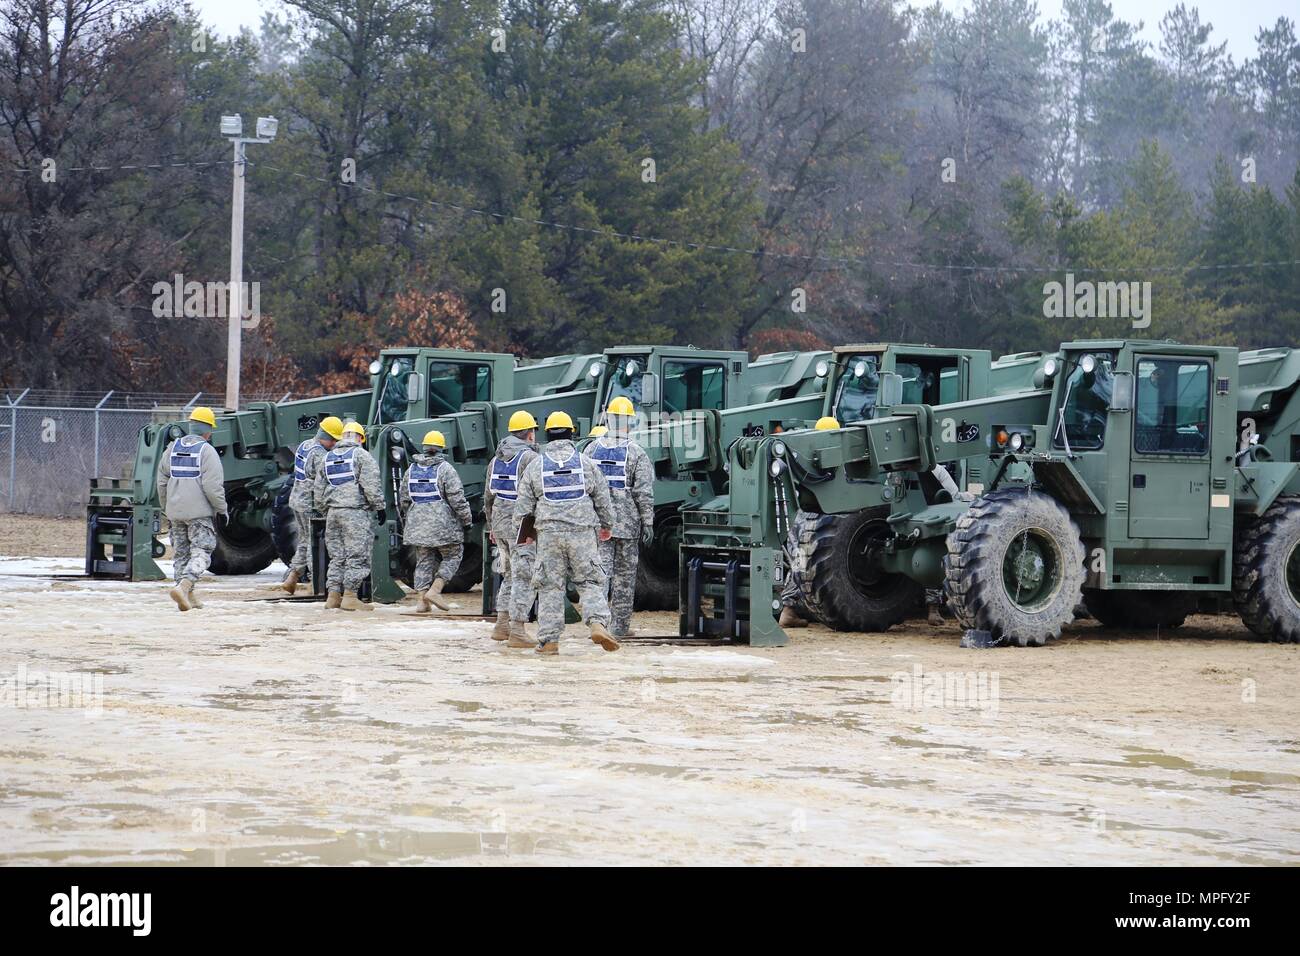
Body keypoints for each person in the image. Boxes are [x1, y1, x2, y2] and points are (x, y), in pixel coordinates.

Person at [513, 410, 618, 655]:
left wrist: (524, 533)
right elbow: (603, 498)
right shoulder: (586, 463)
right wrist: (607, 525)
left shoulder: (535, 466)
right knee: (590, 582)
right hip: (582, 534)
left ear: (547, 435)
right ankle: (597, 624)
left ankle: (549, 642)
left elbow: (523, 508)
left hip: (548, 535)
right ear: (572, 433)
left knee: (550, 588)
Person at [589, 396, 654, 637]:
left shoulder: (591, 449)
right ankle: (619, 628)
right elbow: (643, 491)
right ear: (628, 421)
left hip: (598, 526)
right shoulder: (636, 452)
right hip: (627, 526)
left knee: (600, 575)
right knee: (624, 579)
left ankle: (599, 624)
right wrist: (648, 521)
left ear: (607, 419)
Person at [156, 406, 227, 612]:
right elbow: (213, 487)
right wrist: (222, 509)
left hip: (175, 511)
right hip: (198, 513)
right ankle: (186, 584)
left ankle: (187, 596)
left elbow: (161, 481)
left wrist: (166, 506)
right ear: (208, 431)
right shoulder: (207, 451)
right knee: (203, 552)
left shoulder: (172, 447)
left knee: (181, 553)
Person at [483, 410, 541, 645]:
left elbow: (488, 497)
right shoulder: (529, 459)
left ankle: (501, 625)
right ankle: (517, 630)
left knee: (510, 574)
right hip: (521, 525)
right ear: (529, 434)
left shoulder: (495, 459)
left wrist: (491, 527)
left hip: (500, 522)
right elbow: (539, 494)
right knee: (524, 576)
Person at [313, 420, 384, 611]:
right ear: (361, 438)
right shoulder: (361, 455)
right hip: (354, 512)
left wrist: (324, 509)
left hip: (333, 513)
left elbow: (318, 489)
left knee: (337, 556)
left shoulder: (327, 458)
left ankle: (333, 596)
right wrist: (380, 507)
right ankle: (351, 596)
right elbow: (371, 485)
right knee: (357, 554)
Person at [400, 430, 472, 612]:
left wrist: (414, 517)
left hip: (417, 525)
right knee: (453, 555)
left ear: (424, 448)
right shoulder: (446, 469)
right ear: (441, 448)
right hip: (443, 526)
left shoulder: (411, 470)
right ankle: (436, 589)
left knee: (423, 560)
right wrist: (466, 520)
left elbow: (404, 499)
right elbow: (457, 499)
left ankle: (421, 602)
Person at [778, 417, 840, 629]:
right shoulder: (827, 456)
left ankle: (792, 607)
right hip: (806, 517)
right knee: (801, 563)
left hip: (796, 515)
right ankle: (789, 609)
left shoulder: (804, 454)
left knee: (800, 563)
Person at [280, 416, 344, 595]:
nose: (333, 444)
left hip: (296, 500)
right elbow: (322, 483)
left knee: (303, 540)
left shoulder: (305, 445)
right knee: (313, 544)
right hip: (310, 504)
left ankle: (292, 577)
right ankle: (314, 583)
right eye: (333, 440)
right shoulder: (320, 455)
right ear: (326, 436)